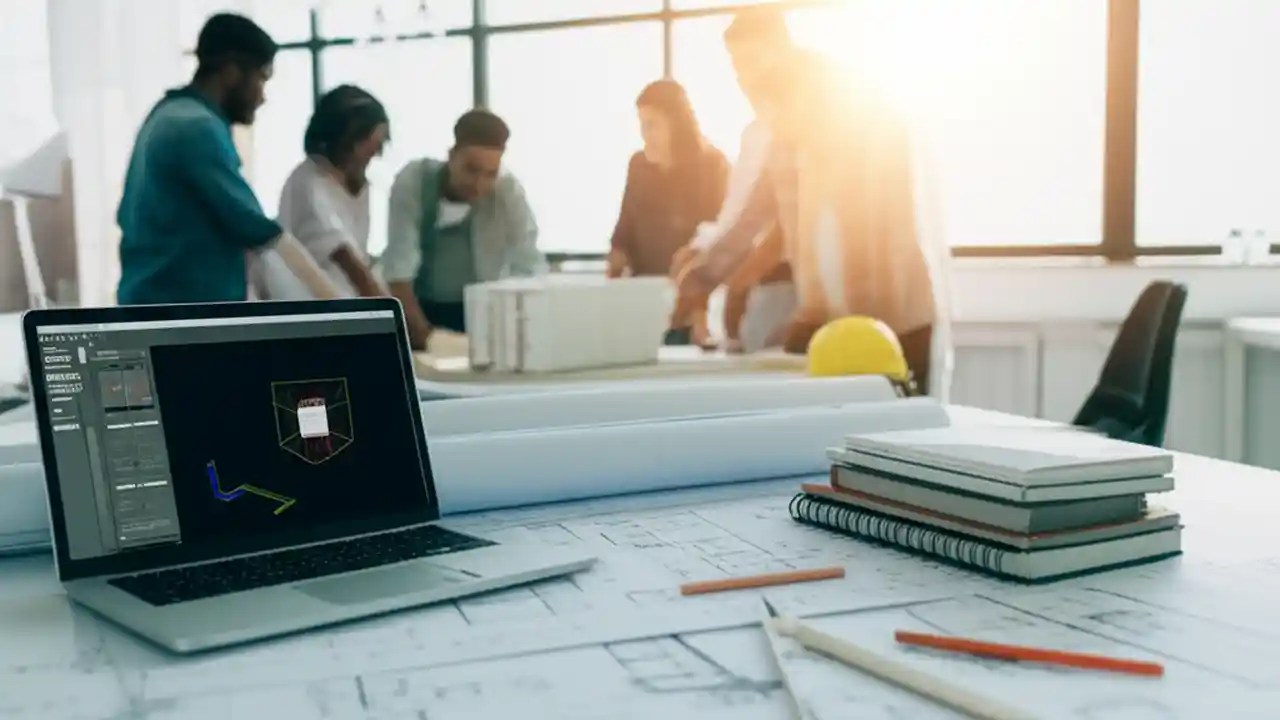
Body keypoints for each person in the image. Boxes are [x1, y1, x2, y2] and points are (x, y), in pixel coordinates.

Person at [676, 48, 939, 393]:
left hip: (898, 328)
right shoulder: (787, 150)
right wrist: (698, 281)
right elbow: (748, 222)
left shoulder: (871, 143)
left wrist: (816, 320)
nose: (776, 129)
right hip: (842, 329)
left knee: (893, 433)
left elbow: (876, 262)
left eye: (780, 116)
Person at [116, 13, 338, 305]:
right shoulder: (197, 128)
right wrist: (338, 306)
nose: (262, 97)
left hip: (151, 308)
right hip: (181, 319)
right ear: (232, 71)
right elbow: (257, 228)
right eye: (261, 78)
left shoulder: (165, 116)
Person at [671, 6, 797, 353]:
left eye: (753, 62)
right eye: (737, 67)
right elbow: (745, 215)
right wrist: (703, 266)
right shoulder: (755, 135)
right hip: (762, 296)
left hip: (797, 293)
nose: (745, 79)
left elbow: (792, 222)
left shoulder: (819, 124)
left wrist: (739, 276)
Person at [382, 109, 543, 350]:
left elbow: (528, 266)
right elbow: (398, 270)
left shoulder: (508, 193)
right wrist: (426, 338)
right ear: (451, 155)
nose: (479, 184)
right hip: (418, 313)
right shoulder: (414, 181)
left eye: (490, 174)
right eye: (471, 169)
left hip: (485, 317)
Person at [606, 80, 728, 346]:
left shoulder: (712, 165)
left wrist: (697, 313)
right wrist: (616, 259)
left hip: (694, 309)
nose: (644, 134)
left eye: (652, 124)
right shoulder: (639, 166)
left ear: (678, 124)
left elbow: (715, 238)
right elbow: (624, 230)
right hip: (646, 303)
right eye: (641, 124)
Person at [251, 84, 390, 299]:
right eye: (367, 147)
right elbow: (348, 261)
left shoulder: (354, 184)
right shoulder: (309, 183)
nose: (369, 157)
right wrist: (390, 316)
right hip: (314, 304)